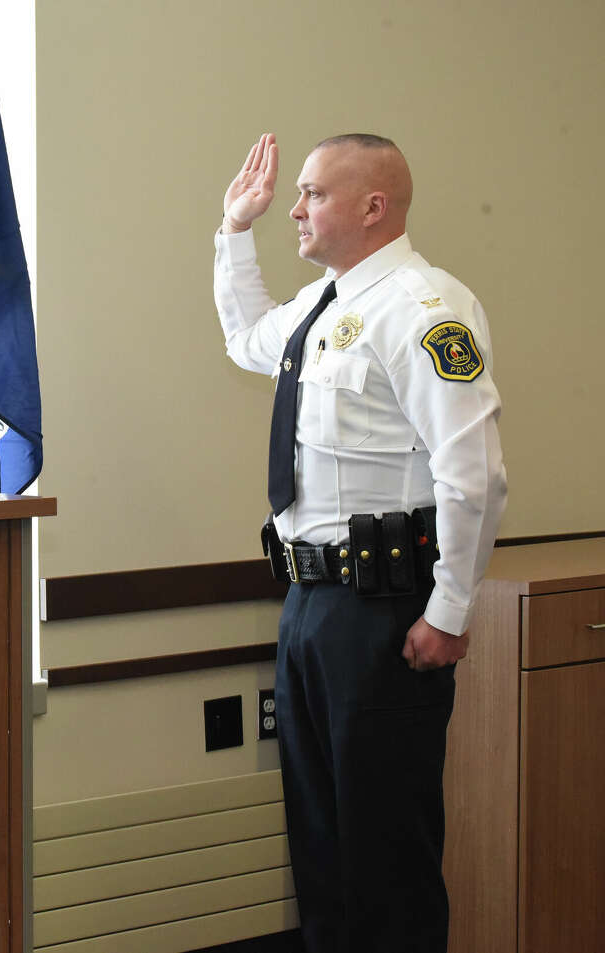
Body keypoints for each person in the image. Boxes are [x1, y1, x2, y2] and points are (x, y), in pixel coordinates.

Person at [213, 133, 507, 953]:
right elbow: (246, 338)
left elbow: (474, 473)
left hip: (384, 610)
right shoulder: (325, 306)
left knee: (386, 860)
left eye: (313, 193)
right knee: (322, 851)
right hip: (309, 601)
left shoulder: (424, 307)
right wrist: (234, 231)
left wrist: (449, 611)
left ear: (373, 206)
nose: (295, 209)